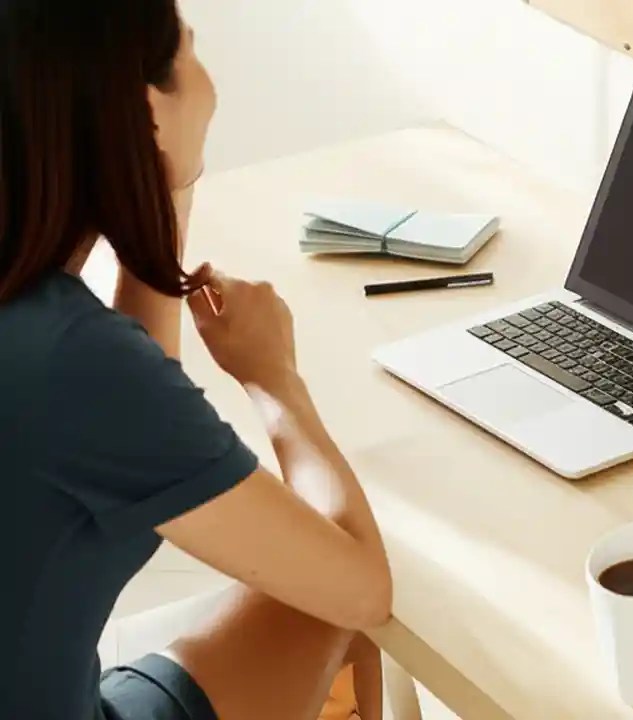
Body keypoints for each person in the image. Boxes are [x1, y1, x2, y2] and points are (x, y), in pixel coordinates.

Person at [0, 1, 393, 718]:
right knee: (341, 595)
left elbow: (130, 438)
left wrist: (161, 187)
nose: (209, 82)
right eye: (191, 49)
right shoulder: (70, 359)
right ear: (148, 108)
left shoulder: (39, 329)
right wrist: (274, 379)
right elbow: (360, 588)